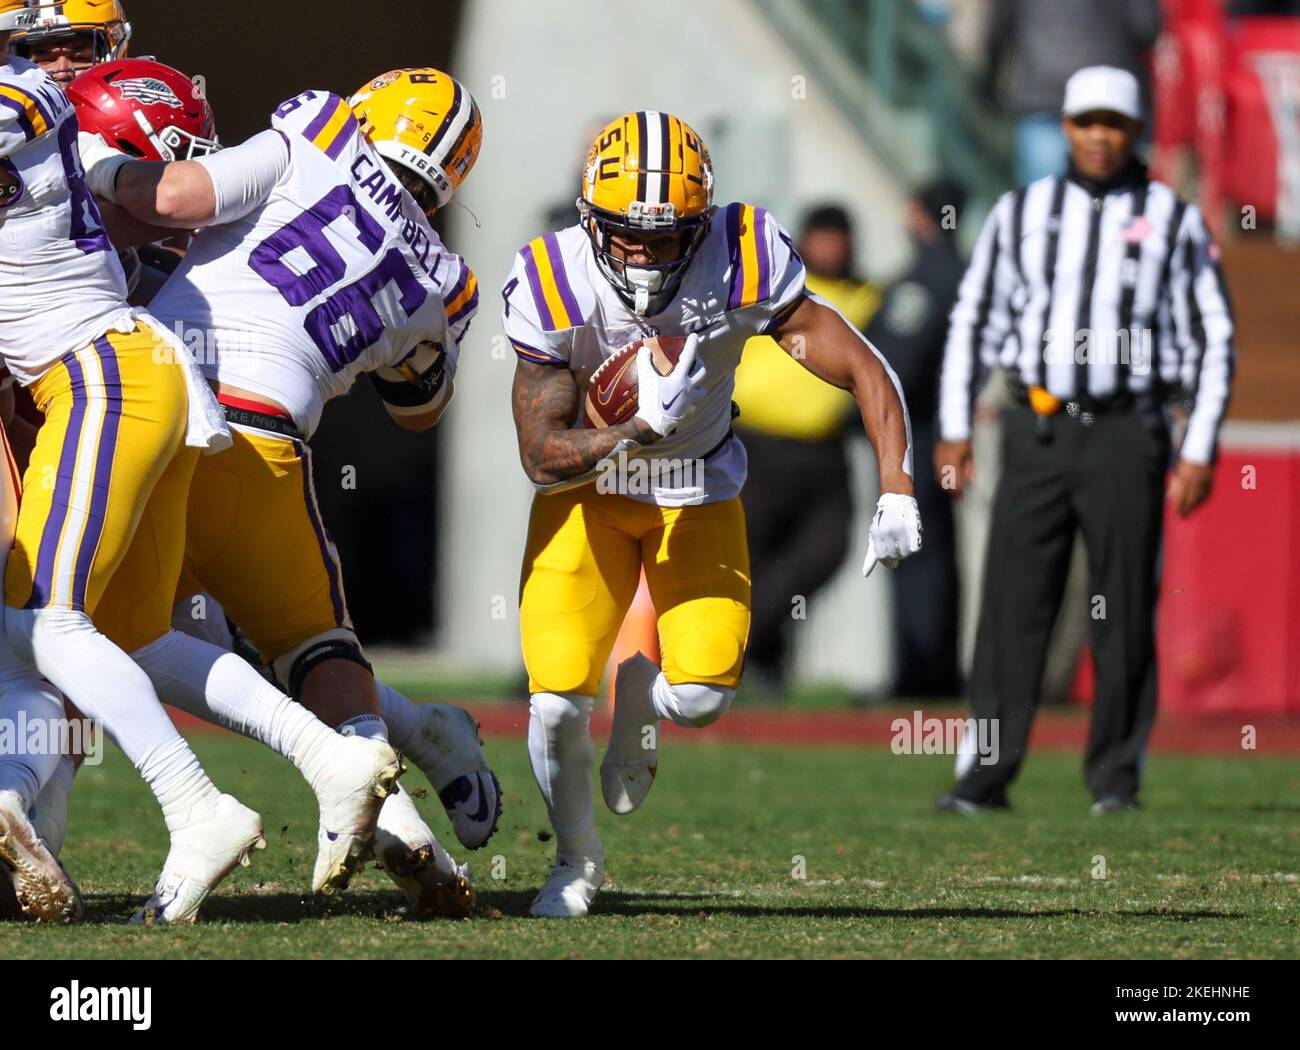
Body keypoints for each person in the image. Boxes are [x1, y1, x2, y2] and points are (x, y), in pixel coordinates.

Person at [0, 11, 401, 924]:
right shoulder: (47, 117)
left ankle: (198, 808)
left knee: (48, 621)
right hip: (130, 376)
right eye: (37, 43)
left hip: (104, 378)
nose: (56, 62)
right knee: (128, 635)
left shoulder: (21, 102)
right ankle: (330, 756)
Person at [79, 68, 497, 916]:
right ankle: (408, 805)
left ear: (368, 112)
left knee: (87, 629)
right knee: (313, 648)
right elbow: (421, 406)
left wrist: (84, 160)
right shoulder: (445, 278)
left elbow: (181, 195)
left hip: (173, 419)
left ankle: (209, 811)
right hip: (274, 453)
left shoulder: (315, 134)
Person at [504, 111, 921, 917]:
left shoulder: (743, 254)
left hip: (698, 493)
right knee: (555, 703)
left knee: (699, 698)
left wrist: (897, 485)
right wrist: (636, 426)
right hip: (586, 501)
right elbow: (538, 453)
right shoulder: (555, 276)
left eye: (667, 238)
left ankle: (640, 698)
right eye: (626, 234)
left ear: (701, 225)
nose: (645, 254)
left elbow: (863, 365)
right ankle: (575, 861)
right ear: (590, 220)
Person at [933, 66, 1236, 813]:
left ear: (1136, 131)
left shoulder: (1174, 218)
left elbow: (1214, 332)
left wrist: (1199, 442)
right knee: (1011, 603)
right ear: (1064, 127)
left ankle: (1114, 780)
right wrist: (952, 427)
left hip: (1127, 431)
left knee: (1124, 605)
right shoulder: (1021, 212)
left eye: (1114, 123)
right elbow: (976, 318)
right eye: (1085, 122)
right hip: (1037, 426)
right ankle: (984, 776)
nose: (1099, 136)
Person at [731, 204, 882, 696]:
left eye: (839, 239)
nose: (831, 249)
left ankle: (749, 639)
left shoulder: (867, 298)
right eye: (822, 239)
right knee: (752, 557)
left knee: (827, 550)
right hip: (757, 447)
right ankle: (761, 666)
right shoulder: (772, 291)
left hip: (822, 452)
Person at [864, 180, 967, 698]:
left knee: (910, 553)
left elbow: (894, 361)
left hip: (914, 430)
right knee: (938, 551)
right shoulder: (962, 272)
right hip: (943, 428)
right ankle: (937, 670)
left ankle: (920, 676)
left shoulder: (925, 281)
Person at [986, 0, 1161, 185]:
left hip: (1045, 92)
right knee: (1113, 204)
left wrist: (990, 78)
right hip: (1107, 94)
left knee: (1044, 204)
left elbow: (999, 27)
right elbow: (1147, 28)